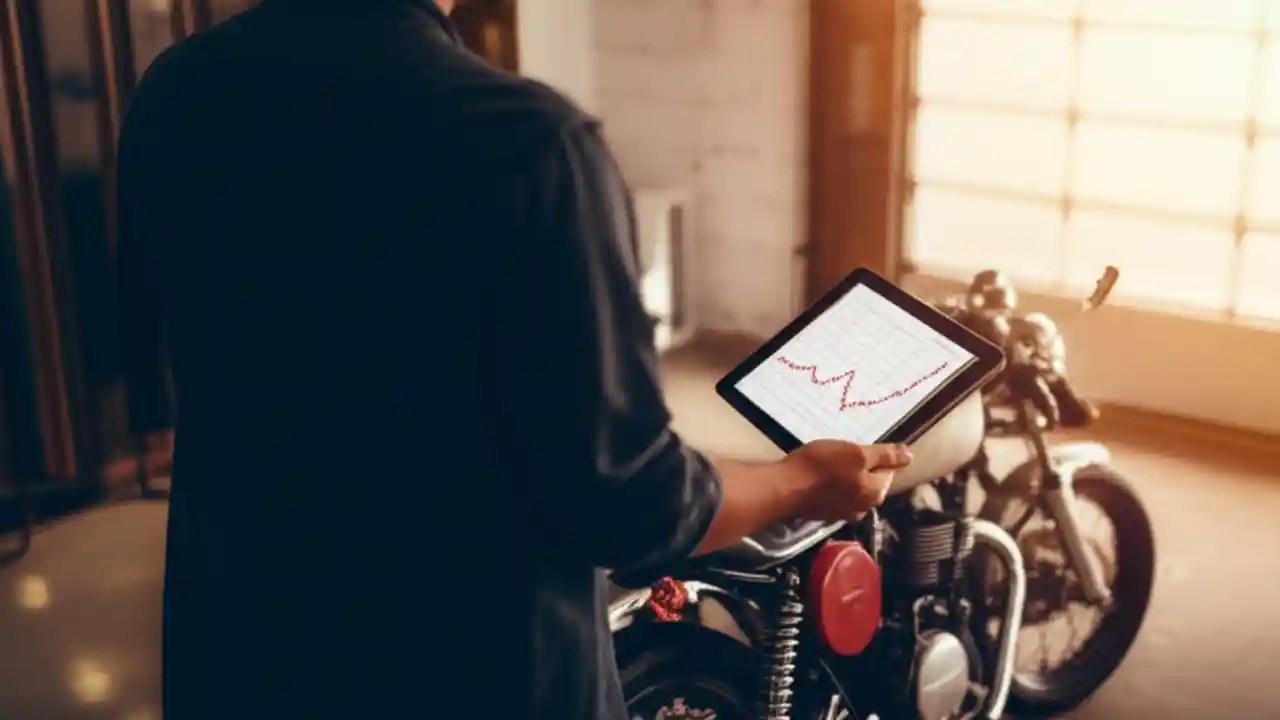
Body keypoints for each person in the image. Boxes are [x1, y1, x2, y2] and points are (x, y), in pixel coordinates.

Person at [116, 1, 912, 717]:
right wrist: (800, 481)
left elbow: (162, 355)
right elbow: (630, 506)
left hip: (245, 653)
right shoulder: (523, 142)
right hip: (469, 673)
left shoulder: (180, 90)